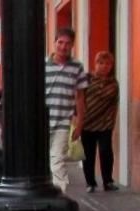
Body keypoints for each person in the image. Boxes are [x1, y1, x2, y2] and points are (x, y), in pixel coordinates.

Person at [45, 28, 88, 194]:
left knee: (57, 159)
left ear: (72, 45)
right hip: (43, 121)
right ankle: (47, 191)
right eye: (60, 42)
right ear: (55, 43)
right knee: (42, 161)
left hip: (63, 121)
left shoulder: (77, 67)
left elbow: (80, 97)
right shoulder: (43, 65)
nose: (63, 46)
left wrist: (79, 124)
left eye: (67, 43)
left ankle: (59, 195)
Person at [82, 51, 119, 193]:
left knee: (105, 151)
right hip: (87, 122)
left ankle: (108, 181)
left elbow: (114, 104)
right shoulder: (87, 79)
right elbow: (79, 99)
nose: (104, 66)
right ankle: (90, 183)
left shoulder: (113, 83)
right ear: (95, 64)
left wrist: (112, 121)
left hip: (105, 123)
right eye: (101, 63)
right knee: (88, 153)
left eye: (108, 64)